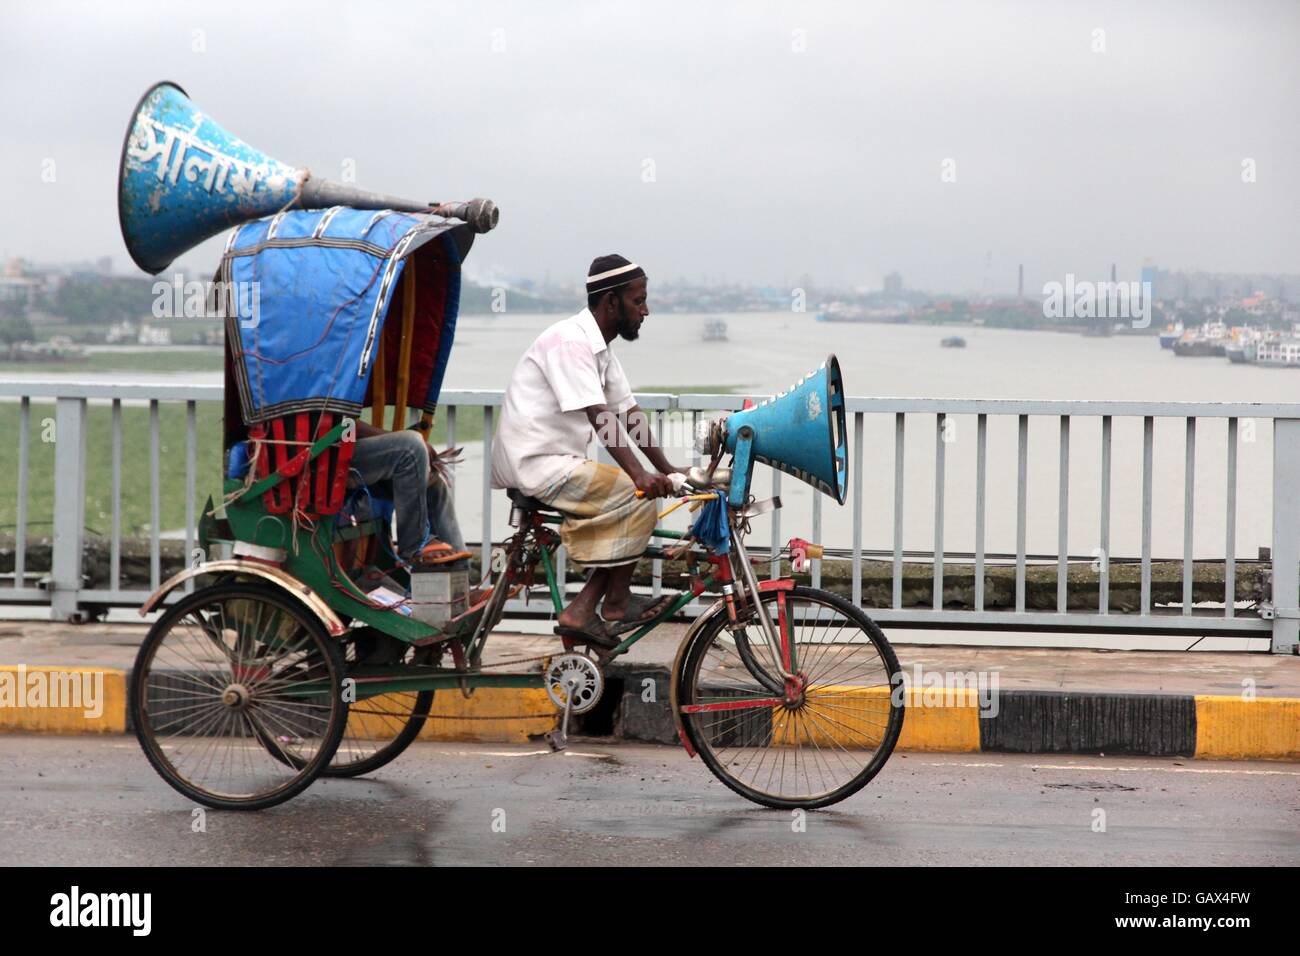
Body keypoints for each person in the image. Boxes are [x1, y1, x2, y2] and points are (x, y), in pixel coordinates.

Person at [490, 254, 681, 646]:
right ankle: (605, 605)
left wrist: (670, 469)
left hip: (560, 462)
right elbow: (600, 416)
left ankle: (608, 601)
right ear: (611, 302)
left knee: (637, 492)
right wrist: (640, 476)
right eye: (638, 301)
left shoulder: (601, 349)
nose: (646, 310)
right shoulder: (570, 341)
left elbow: (628, 414)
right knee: (636, 495)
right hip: (537, 463)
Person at [348, 419, 472, 569]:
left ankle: (460, 571)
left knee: (432, 481)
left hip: (345, 444)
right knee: (412, 448)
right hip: (326, 455)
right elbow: (343, 424)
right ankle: (415, 545)